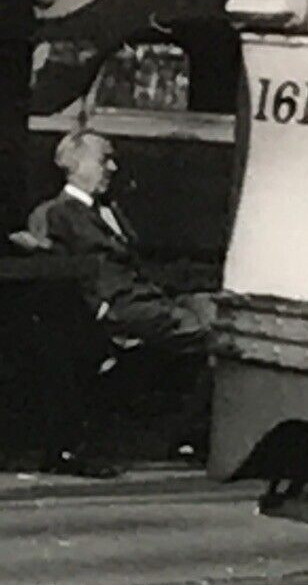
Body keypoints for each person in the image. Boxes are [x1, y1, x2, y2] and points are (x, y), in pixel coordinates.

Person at [27, 129, 213, 470]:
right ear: (76, 164)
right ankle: (189, 434)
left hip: (145, 299)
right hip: (117, 307)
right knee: (217, 334)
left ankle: (189, 432)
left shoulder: (109, 211)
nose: (112, 167)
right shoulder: (59, 213)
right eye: (104, 160)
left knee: (215, 312)